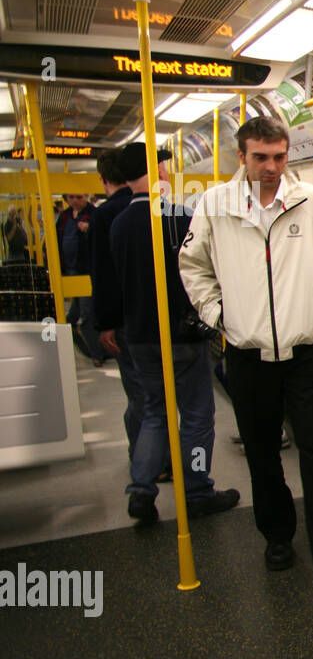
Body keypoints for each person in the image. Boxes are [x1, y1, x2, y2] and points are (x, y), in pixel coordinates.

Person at [179, 116, 313, 596]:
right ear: (242, 157)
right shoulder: (215, 205)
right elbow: (192, 266)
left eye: (280, 157)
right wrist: (220, 315)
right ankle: (277, 536)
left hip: (304, 351)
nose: (272, 167)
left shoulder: (312, 201)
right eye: (261, 157)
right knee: (261, 453)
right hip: (248, 353)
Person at [109, 141, 239, 523]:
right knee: (196, 415)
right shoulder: (178, 216)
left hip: (139, 337)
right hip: (180, 335)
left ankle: (141, 491)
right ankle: (198, 490)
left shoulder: (117, 224)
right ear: (158, 171)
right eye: (163, 165)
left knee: (154, 412)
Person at [91, 149, 152, 466]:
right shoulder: (154, 208)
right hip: (156, 318)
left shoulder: (104, 215)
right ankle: (166, 463)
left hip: (127, 320)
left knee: (140, 396)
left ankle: (143, 465)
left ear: (103, 179)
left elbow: (103, 274)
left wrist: (105, 322)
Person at [62, 187, 105, 365]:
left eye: (79, 196)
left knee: (86, 314)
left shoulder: (94, 216)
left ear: (86, 196)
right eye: (71, 196)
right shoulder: (64, 218)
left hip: (87, 272)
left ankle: (97, 354)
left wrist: (89, 230)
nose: (75, 200)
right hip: (70, 271)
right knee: (74, 313)